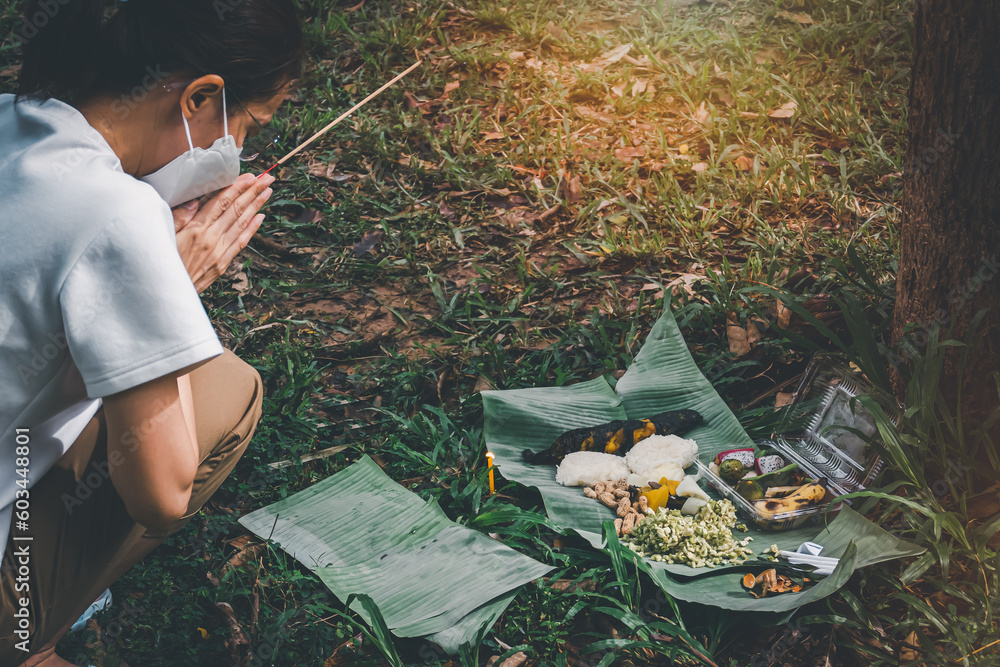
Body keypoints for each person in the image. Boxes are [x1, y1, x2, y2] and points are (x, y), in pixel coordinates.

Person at [0, 0, 304, 663]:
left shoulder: (8, 117)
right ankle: (27, 635)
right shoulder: (119, 213)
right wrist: (167, 291)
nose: (240, 149)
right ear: (200, 97)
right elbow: (161, 495)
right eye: (247, 125)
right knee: (230, 390)